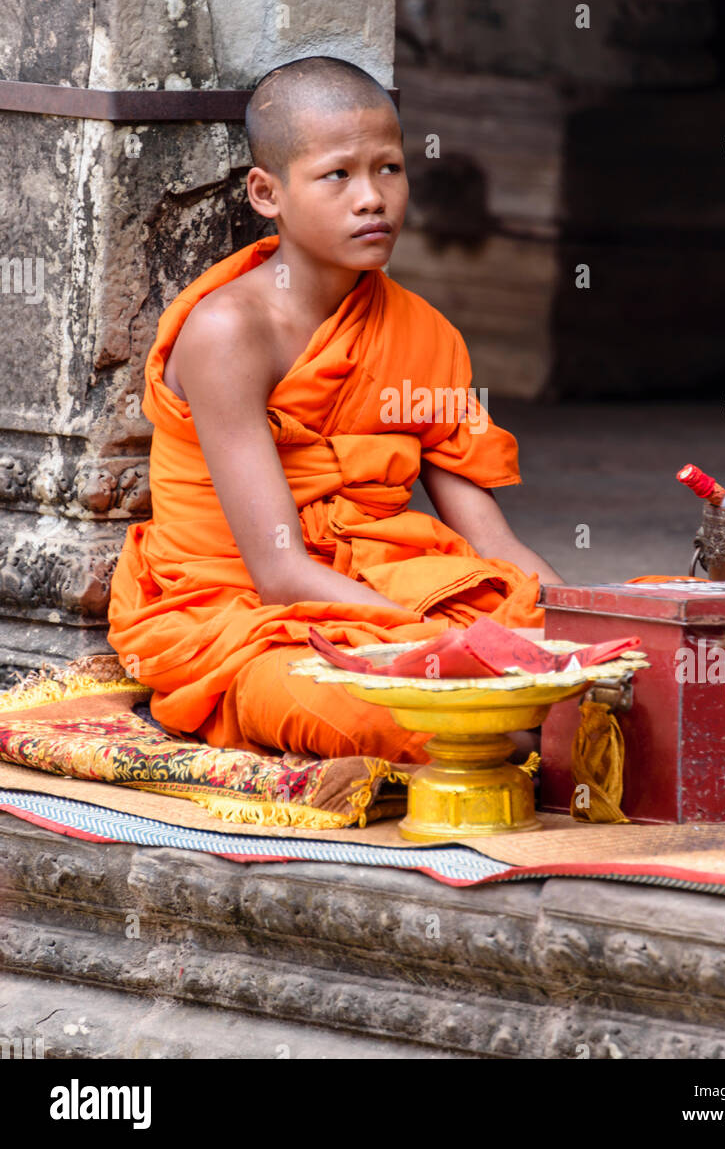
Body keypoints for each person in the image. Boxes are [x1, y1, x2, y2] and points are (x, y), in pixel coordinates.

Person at [107, 56, 564, 764]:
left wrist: (582, 632)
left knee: (610, 674)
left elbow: (492, 543)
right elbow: (280, 574)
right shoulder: (230, 334)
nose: (372, 198)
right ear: (267, 193)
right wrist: (446, 645)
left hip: (384, 592)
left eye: (389, 169)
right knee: (446, 728)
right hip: (246, 622)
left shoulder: (424, 333)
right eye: (337, 175)